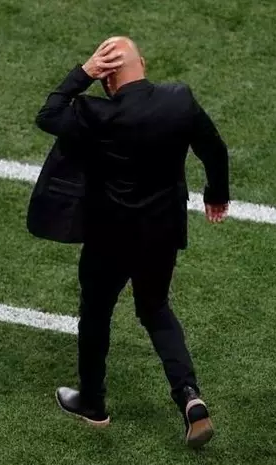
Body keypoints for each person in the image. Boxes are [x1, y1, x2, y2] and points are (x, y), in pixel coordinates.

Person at [35, 37, 230, 448]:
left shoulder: (95, 112)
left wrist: (81, 74)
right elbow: (214, 149)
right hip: (162, 233)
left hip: (110, 236)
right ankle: (189, 396)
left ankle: (92, 402)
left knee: (96, 312)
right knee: (156, 309)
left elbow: (48, 114)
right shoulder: (179, 100)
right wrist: (216, 194)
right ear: (142, 63)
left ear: (106, 81)